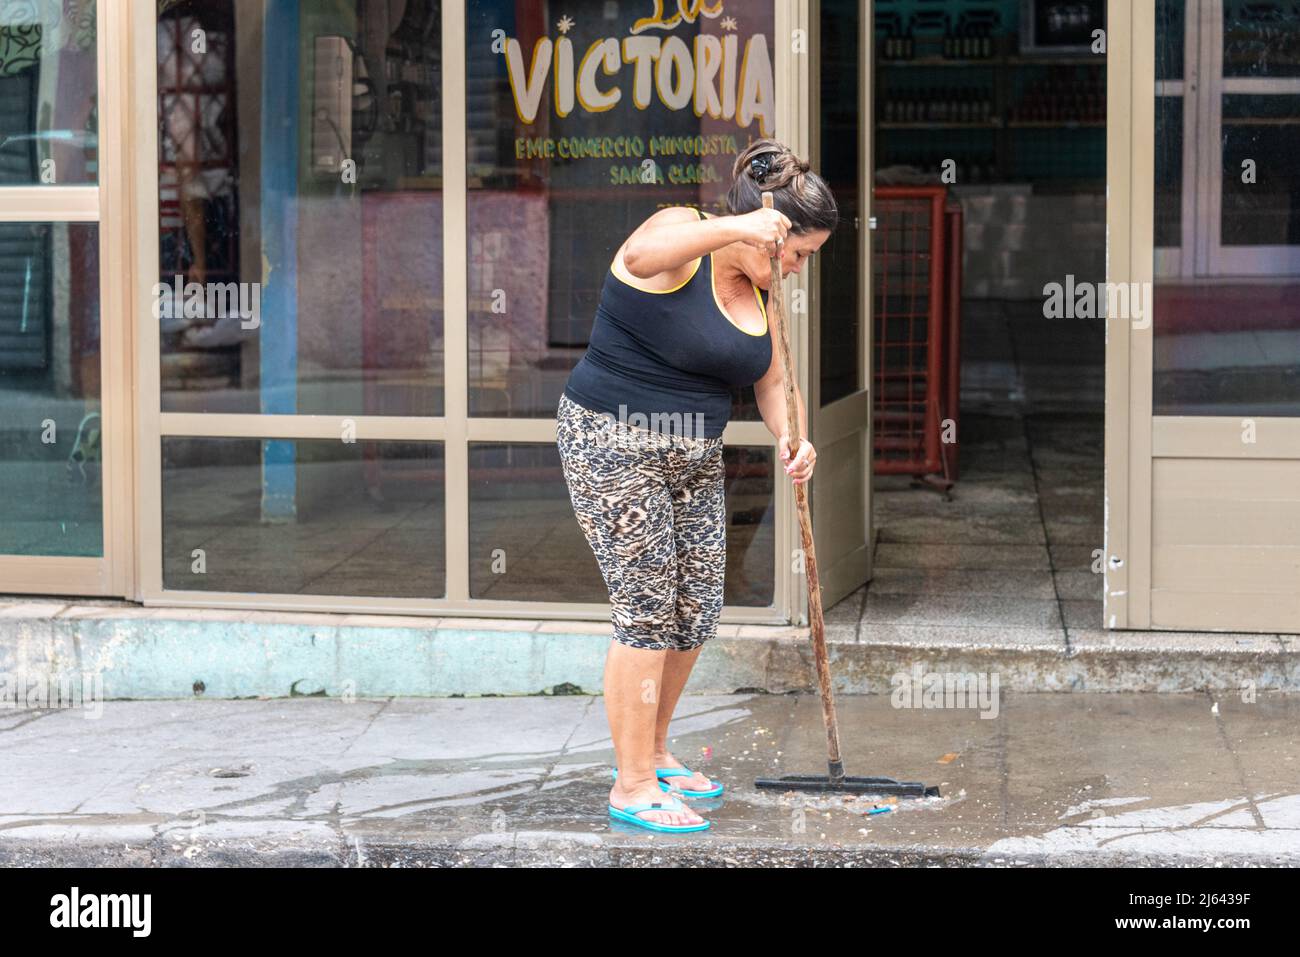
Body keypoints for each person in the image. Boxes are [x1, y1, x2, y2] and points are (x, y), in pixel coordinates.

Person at [555, 138, 839, 832]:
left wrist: (791, 437)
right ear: (767, 230)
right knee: (647, 607)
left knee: (695, 606)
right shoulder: (677, 232)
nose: (797, 269)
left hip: (693, 457)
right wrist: (739, 226)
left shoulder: (764, 294)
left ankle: (654, 751)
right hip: (612, 443)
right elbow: (639, 258)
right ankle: (631, 784)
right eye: (797, 253)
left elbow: (772, 378)